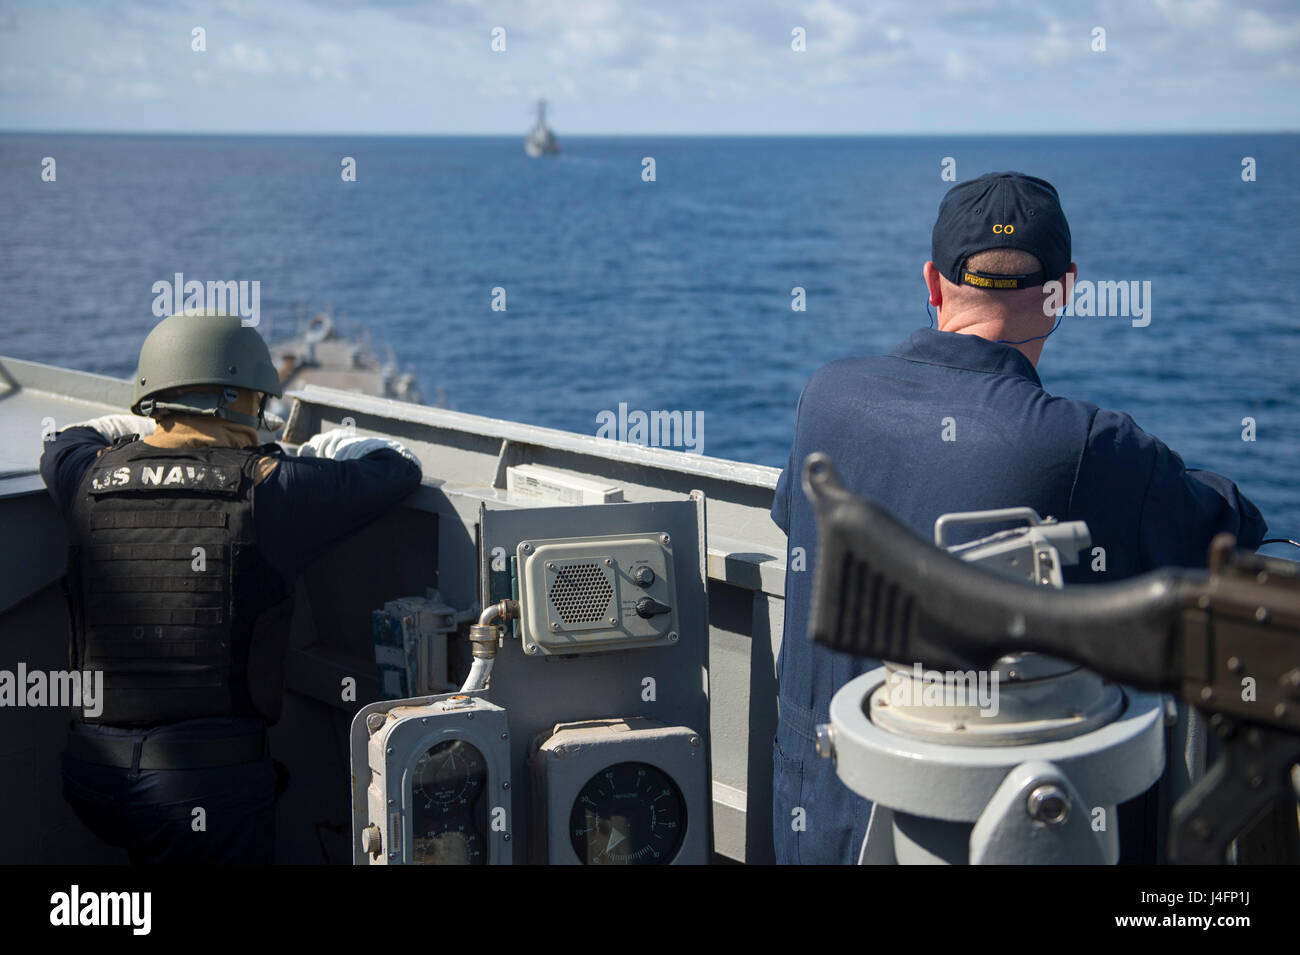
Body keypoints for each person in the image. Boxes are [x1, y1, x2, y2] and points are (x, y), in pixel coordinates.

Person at [770, 171, 1268, 865]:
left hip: (811, 820)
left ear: (933, 283)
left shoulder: (824, 397)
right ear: (1063, 290)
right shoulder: (1087, 446)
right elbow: (1227, 525)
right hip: (972, 837)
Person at [39, 310, 423, 863]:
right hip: (203, 786)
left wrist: (142, 426)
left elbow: (67, 440)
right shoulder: (273, 490)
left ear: (153, 402)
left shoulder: (86, 476)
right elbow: (396, 468)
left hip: (93, 777)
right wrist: (328, 446)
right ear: (242, 400)